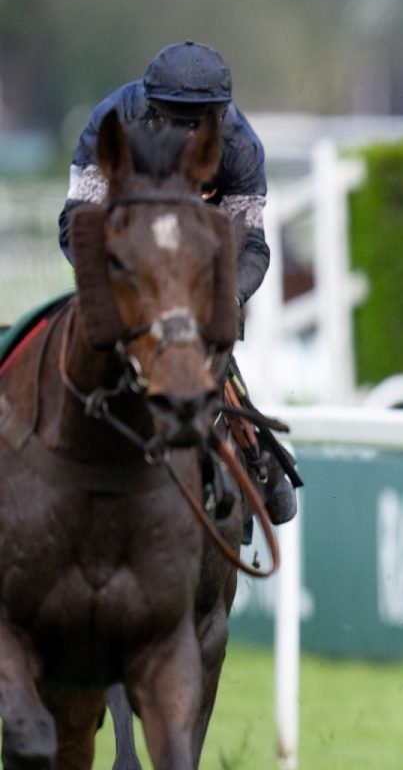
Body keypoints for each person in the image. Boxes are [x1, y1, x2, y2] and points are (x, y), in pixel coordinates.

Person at [55, 40, 300, 522]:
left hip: (192, 271)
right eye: (175, 119)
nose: (189, 137)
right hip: (124, 264)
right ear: (150, 108)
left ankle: (250, 451)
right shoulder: (113, 122)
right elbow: (78, 224)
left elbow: (250, 246)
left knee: (209, 333)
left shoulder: (239, 144)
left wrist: (223, 299)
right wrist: (128, 292)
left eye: (199, 122)